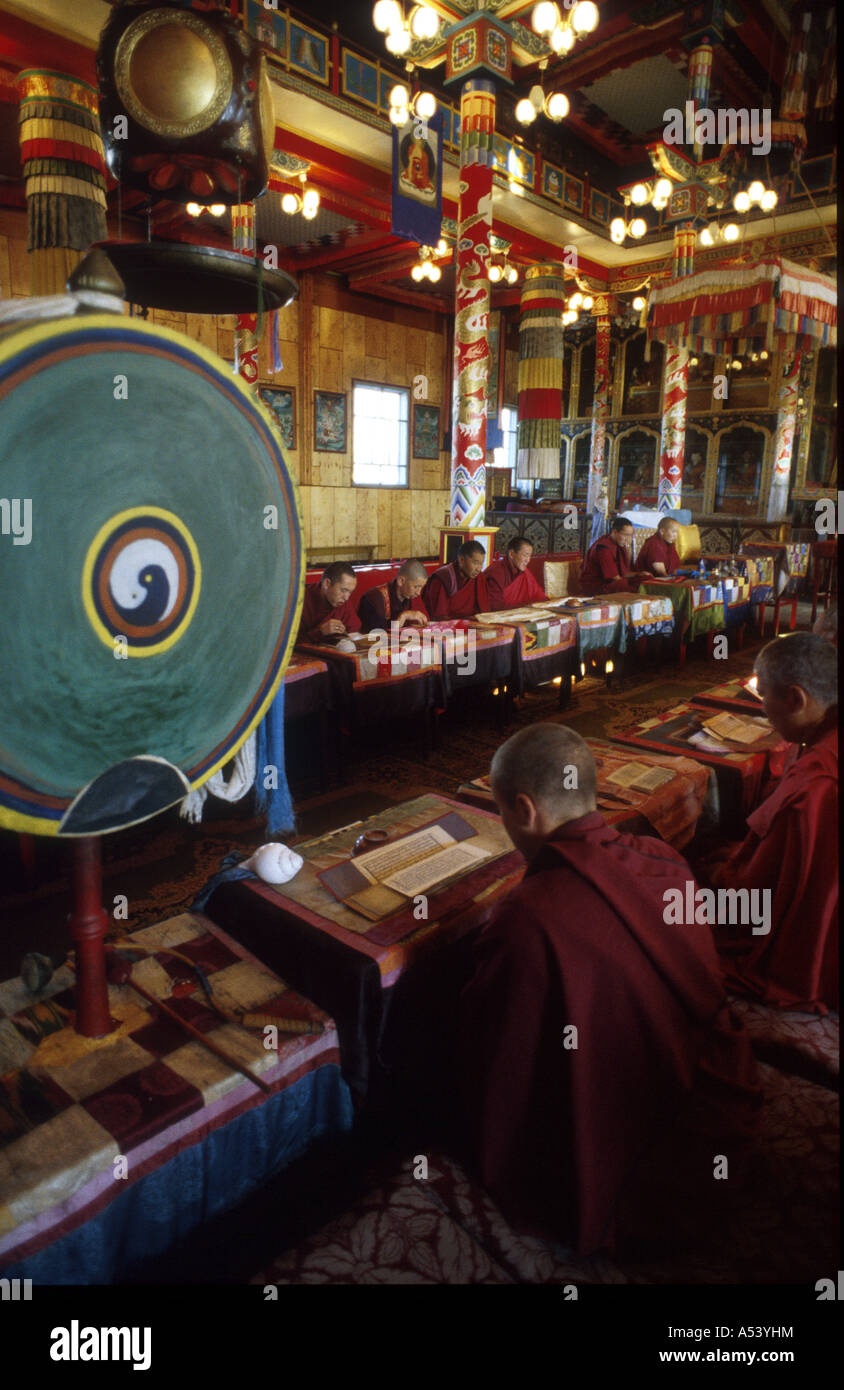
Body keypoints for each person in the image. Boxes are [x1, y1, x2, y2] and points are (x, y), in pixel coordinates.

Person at [456, 723, 758, 1255]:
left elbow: (500, 1051)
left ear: (523, 810)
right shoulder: (662, 858)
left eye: (502, 813)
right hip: (699, 1082)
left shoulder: (526, 916)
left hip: (622, 1137)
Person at [712, 633, 838, 1012]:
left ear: (796, 699)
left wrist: (719, 877)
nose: (762, 706)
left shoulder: (816, 785)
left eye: (764, 695)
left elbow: (757, 895)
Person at [357, 558, 429, 632]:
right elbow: (377, 635)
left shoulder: (411, 595)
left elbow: (425, 624)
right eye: (416, 587)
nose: (418, 593)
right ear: (401, 581)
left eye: (421, 587)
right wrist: (404, 616)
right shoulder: (375, 598)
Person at [297, 562, 361, 643]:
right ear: (326, 584)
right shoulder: (300, 600)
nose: (346, 598)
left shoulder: (342, 602)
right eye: (343, 590)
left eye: (350, 592)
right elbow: (287, 643)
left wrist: (346, 634)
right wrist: (320, 632)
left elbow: (354, 630)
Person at [581, 514, 646, 593]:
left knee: (645, 578)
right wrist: (630, 584)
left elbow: (623, 573)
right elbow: (614, 577)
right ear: (615, 532)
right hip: (596, 586)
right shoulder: (604, 548)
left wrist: (639, 574)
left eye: (630, 536)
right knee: (623, 585)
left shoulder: (619, 544)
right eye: (626, 535)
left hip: (612, 582)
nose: (628, 539)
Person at [423, 540, 486, 620]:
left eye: (481, 563)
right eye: (475, 563)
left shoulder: (479, 578)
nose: (479, 569)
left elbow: (484, 611)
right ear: (461, 560)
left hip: (472, 625)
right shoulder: (443, 578)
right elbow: (439, 617)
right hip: (447, 628)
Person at [481, 538, 547, 610]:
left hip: (519, 614)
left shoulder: (525, 573)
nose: (528, 560)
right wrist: (527, 607)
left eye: (529, 556)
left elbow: (540, 597)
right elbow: (495, 608)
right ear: (511, 554)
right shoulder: (497, 573)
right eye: (525, 555)